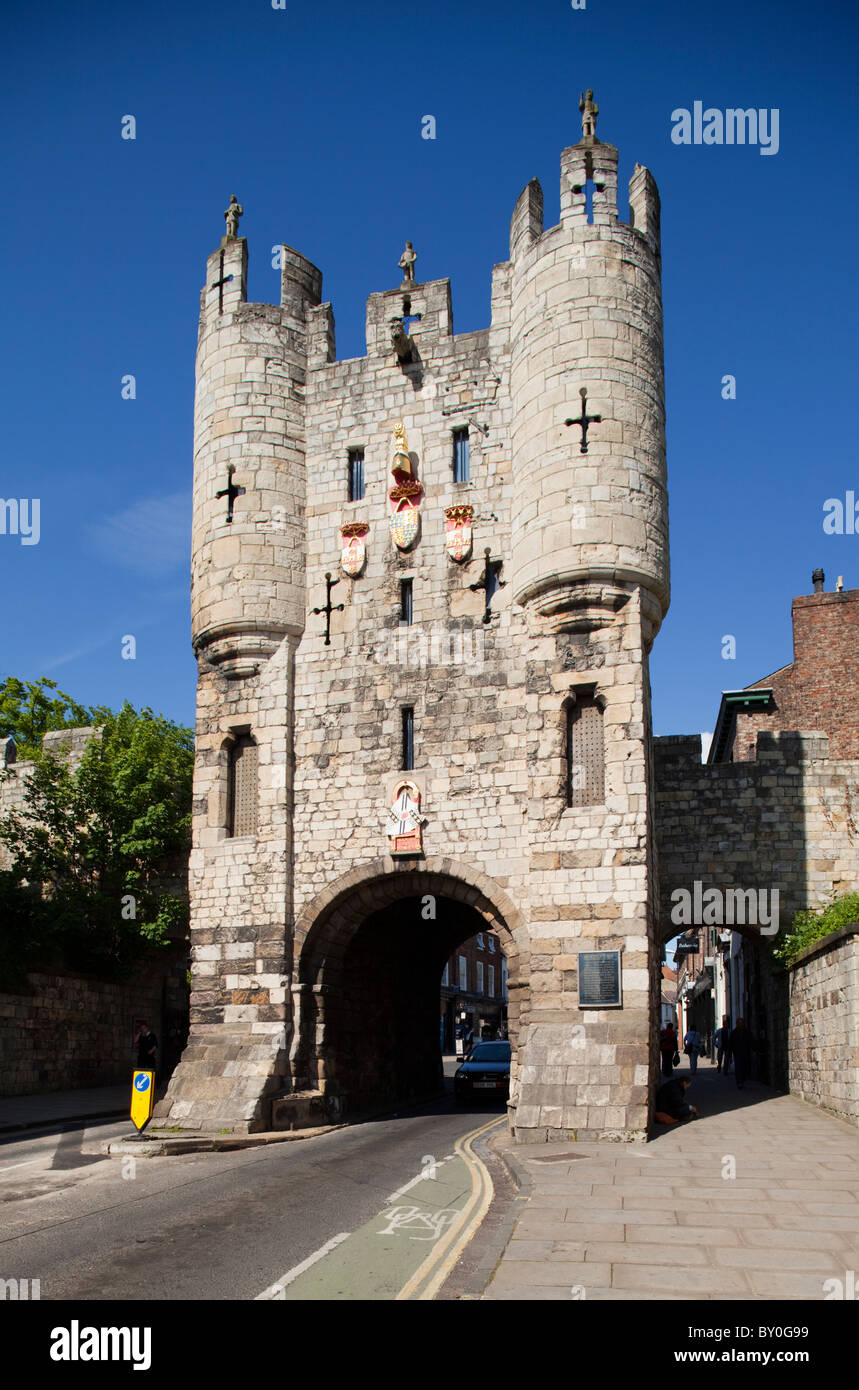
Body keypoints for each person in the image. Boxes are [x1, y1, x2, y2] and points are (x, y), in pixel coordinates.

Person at [729, 1018, 753, 1090]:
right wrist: (730, 1054)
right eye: (739, 1023)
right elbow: (731, 1044)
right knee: (738, 1067)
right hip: (737, 1053)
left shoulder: (746, 1032)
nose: (740, 1024)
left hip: (745, 1052)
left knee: (744, 1066)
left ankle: (742, 1080)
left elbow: (751, 1041)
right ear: (737, 1024)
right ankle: (739, 1082)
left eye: (742, 1023)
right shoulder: (734, 1033)